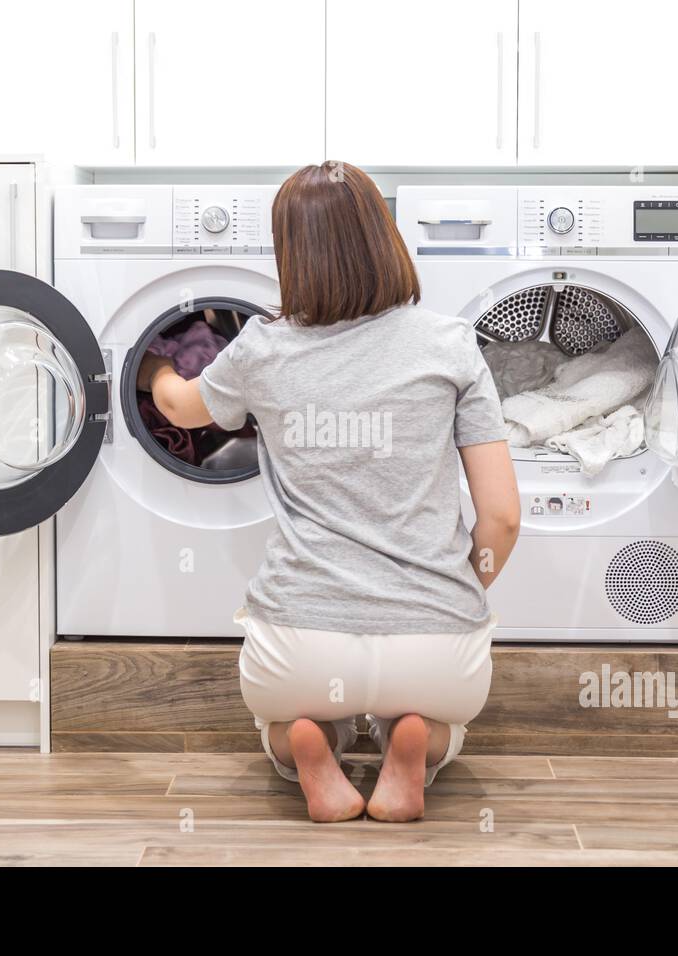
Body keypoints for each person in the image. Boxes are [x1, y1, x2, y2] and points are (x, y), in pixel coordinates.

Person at [137, 161, 520, 823]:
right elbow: (503, 517)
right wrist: (452, 594)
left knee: (287, 722)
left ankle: (308, 748)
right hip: (437, 651)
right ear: (385, 239)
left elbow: (182, 409)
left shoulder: (261, 349)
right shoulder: (450, 344)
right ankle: (415, 746)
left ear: (293, 256)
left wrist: (155, 363)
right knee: (433, 719)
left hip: (298, 644)